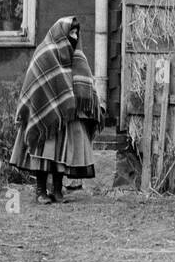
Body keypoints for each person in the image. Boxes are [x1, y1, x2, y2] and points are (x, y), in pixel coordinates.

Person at [9, 16, 104, 204]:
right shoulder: (45, 53)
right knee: (44, 151)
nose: (75, 37)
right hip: (45, 115)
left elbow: (84, 82)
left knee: (62, 154)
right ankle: (40, 190)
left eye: (77, 33)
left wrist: (92, 104)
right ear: (61, 33)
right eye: (71, 33)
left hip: (68, 117)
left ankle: (57, 190)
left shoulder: (78, 56)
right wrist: (44, 104)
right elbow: (35, 83)